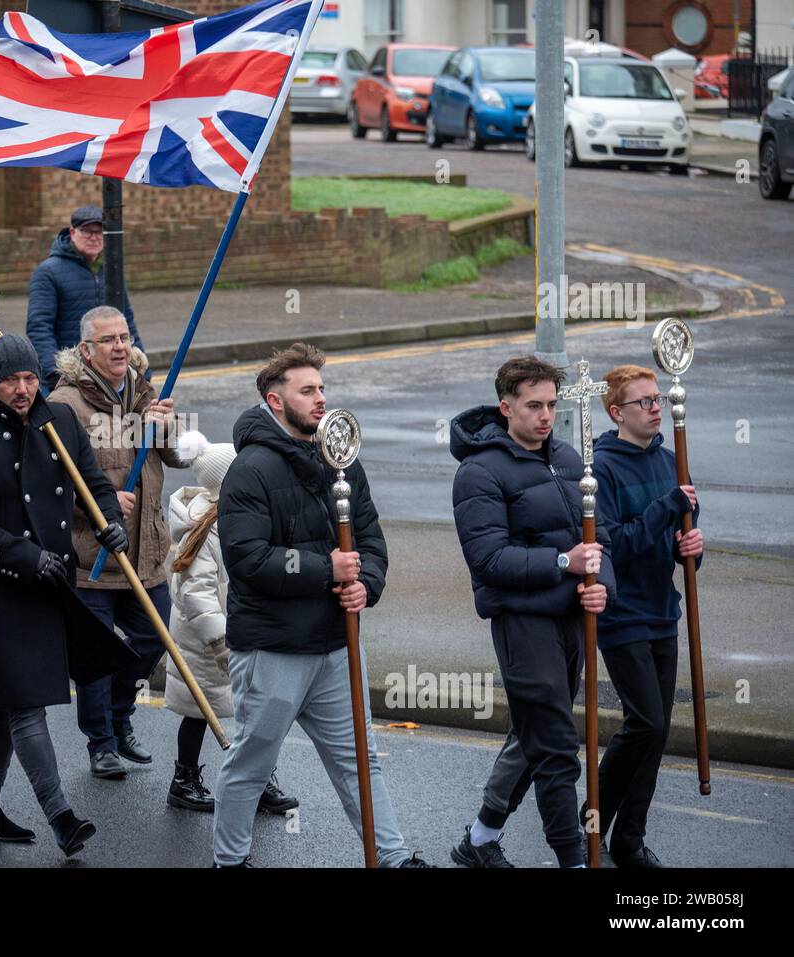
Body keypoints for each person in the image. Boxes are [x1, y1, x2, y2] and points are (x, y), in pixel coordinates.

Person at [213, 343, 431, 868]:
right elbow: (247, 558)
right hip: (273, 648)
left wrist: (366, 585)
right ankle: (230, 860)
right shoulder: (250, 469)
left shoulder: (342, 462)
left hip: (335, 645)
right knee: (250, 763)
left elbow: (371, 539)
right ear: (274, 399)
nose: (320, 399)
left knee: (362, 760)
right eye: (307, 390)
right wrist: (324, 569)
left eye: (322, 389)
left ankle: (394, 858)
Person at [0, 334, 133, 857]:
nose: (23, 390)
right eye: (11, 381)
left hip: (48, 587)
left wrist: (109, 520)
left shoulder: (58, 423)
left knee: (11, 698)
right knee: (26, 703)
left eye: (29, 379)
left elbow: (93, 481)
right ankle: (62, 817)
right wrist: (22, 555)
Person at [448, 355, 616, 869]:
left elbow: (599, 540)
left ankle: (478, 839)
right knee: (558, 747)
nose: (546, 416)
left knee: (534, 737)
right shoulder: (478, 472)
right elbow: (489, 559)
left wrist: (599, 587)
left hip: (570, 620)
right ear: (506, 407)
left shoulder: (566, 459)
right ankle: (575, 857)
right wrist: (565, 563)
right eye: (534, 406)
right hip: (522, 624)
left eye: (551, 405)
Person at [48, 306, 180, 779]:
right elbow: (52, 480)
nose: (121, 346)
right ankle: (100, 742)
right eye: (108, 340)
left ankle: (121, 717)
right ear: (86, 350)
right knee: (96, 655)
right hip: (92, 553)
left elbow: (178, 455)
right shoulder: (65, 405)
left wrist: (168, 428)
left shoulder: (147, 393)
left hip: (146, 550)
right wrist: (97, 506)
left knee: (152, 635)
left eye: (124, 337)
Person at [591, 364, 702, 868]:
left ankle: (628, 841)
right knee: (647, 723)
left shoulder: (672, 461)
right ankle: (592, 818)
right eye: (645, 402)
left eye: (658, 399)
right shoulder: (602, 467)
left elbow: (682, 540)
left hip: (663, 611)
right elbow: (617, 544)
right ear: (617, 412)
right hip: (621, 614)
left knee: (656, 732)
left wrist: (692, 548)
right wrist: (666, 508)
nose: (657, 407)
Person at [164, 430, 298, 816]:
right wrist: (220, 641)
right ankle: (183, 778)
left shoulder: (244, 517)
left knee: (256, 712)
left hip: (246, 631)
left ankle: (257, 780)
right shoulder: (204, 530)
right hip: (208, 642)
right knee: (200, 710)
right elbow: (195, 592)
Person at [27, 205, 146, 391]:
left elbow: (127, 321)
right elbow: (39, 328)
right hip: (70, 377)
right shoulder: (48, 272)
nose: (93, 237)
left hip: (107, 373)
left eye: (99, 232)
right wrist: (54, 374)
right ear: (73, 232)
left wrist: (141, 369)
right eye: (86, 231)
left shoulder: (112, 269)